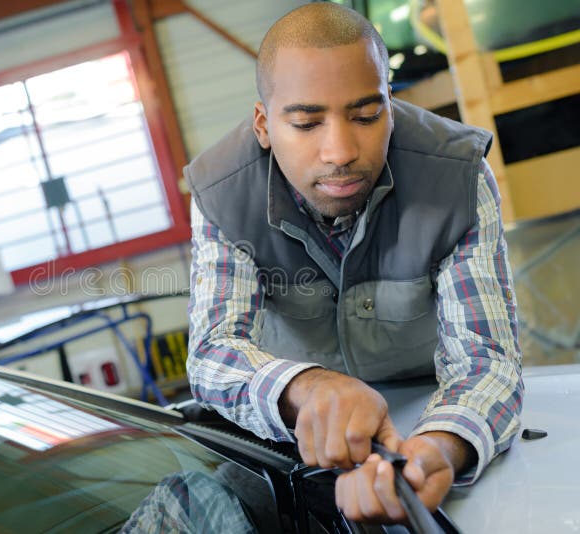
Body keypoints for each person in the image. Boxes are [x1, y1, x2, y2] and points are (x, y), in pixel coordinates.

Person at [185, 2, 523, 524]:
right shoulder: (221, 196)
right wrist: (308, 387)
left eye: (367, 116)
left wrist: (439, 447)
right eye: (305, 122)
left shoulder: (457, 177)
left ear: (391, 104)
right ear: (263, 125)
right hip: (291, 446)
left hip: (424, 422)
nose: (340, 150)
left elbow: (487, 362)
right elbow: (212, 352)